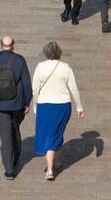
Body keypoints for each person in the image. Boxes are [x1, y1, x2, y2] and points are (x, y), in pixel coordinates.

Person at [32, 41, 84, 179]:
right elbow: (73, 89)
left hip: (45, 105)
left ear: (46, 52)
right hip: (62, 106)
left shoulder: (40, 67)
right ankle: (55, 164)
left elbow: (35, 89)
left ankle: (50, 168)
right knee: (57, 133)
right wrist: (79, 106)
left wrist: (35, 105)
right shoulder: (65, 68)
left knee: (50, 134)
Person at [0, 35, 32, 179]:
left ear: (1, 45)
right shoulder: (19, 60)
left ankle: (9, 170)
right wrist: (27, 102)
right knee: (15, 130)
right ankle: (16, 156)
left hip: (1, 105)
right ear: (14, 45)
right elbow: (26, 83)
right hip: (17, 104)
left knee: (5, 137)